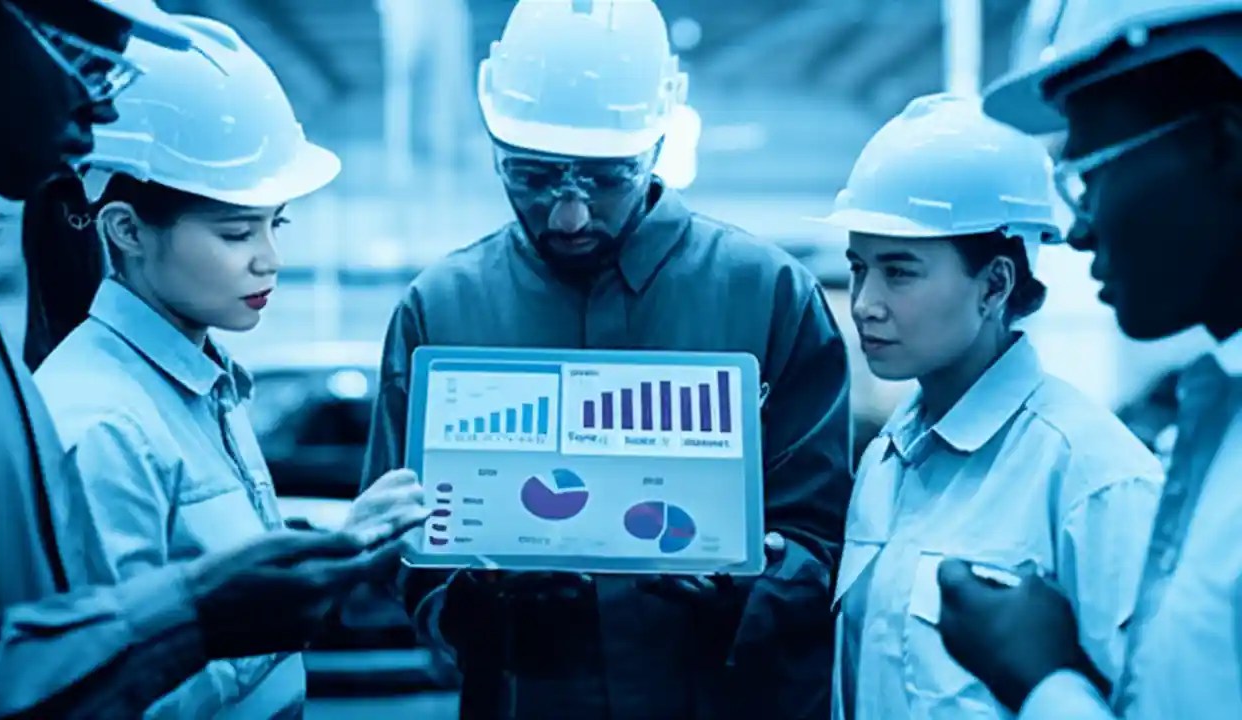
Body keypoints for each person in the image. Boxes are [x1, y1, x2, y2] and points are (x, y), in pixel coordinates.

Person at [361, 1, 853, 718]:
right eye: (531, 175)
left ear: (658, 142)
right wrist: (470, 600)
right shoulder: (439, 310)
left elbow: (827, 533)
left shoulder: (769, 294)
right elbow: (401, 545)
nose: (568, 214)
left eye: (603, 178)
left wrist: (754, 585)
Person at [0, 2, 416, 717]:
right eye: (238, 232)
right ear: (127, 231)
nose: (271, 258)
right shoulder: (100, 419)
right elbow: (119, 690)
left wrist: (340, 549)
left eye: (276, 224)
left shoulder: (209, 387)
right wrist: (258, 618)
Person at [934, 2, 1242, 719]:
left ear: (1225, 145)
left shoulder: (1093, 460)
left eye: (1088, 173)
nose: (1075, 230)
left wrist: (1045, 681)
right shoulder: (1220, 420)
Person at [816, 93, 1163, 719]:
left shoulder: (1094, 478)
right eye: (858, 268)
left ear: (995, 285)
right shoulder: (887, 463)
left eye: (899, 272)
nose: (865, 302)